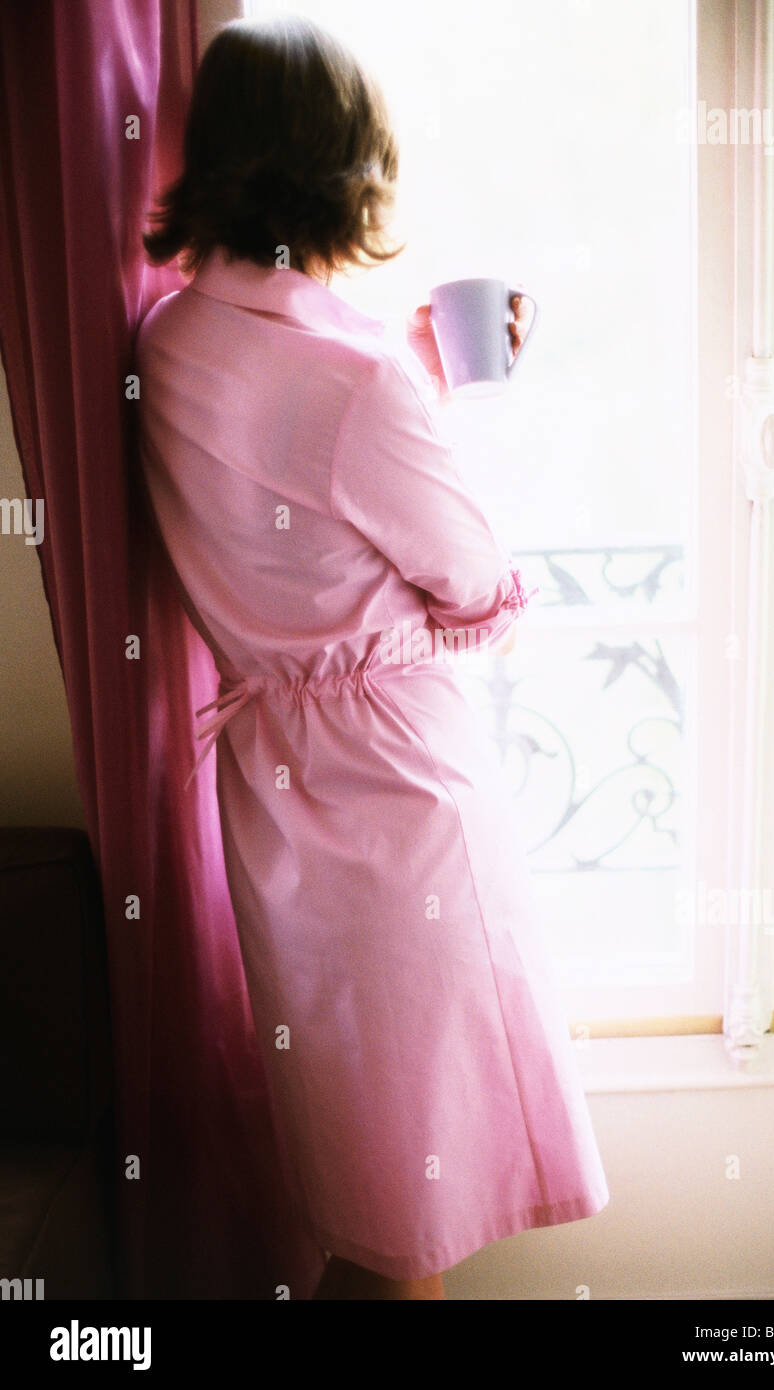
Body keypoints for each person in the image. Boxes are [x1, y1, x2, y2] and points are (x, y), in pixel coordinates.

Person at [136, 14, 608, 1301]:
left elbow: (288, 486)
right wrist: (418, 390)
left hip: (278, 800)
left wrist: (400, 368)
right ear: (348, 170)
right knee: (412, 1219)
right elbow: (478, 588)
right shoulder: (354, 381)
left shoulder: (169, 343)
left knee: (364, 1191)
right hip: (400, 808)